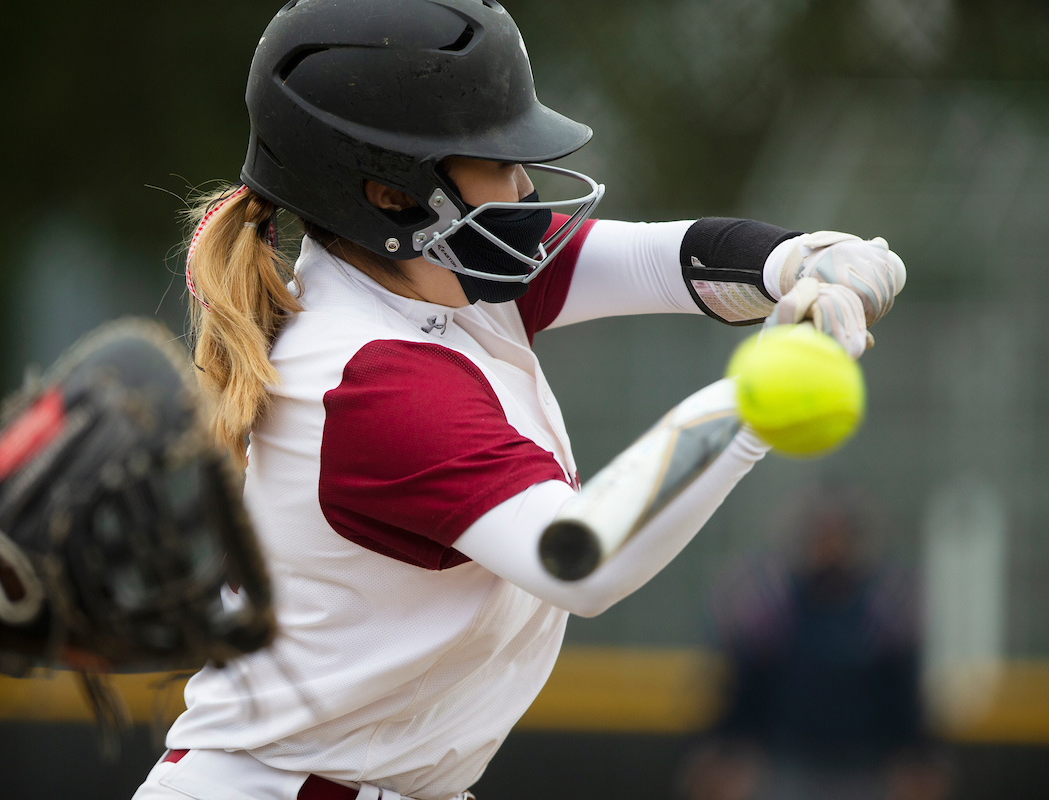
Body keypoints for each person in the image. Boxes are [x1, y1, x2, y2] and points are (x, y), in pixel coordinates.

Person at [130, 2, 906, 800]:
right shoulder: (372, 378)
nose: (524, 183)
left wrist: (802, 261)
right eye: (495, 160)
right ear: (390, 195)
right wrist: (755, 402)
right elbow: (579, 558)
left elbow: (661, 261)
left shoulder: (445, 278)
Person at [679, 487, 950, 800]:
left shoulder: (884, 609)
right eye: (822, 533)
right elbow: (743, 691)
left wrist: (920, 757)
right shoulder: (772, 605)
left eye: (839, 533)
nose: (830, 545)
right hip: (785, 763)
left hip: (863, 767)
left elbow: (903, 696)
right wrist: (722, 751)